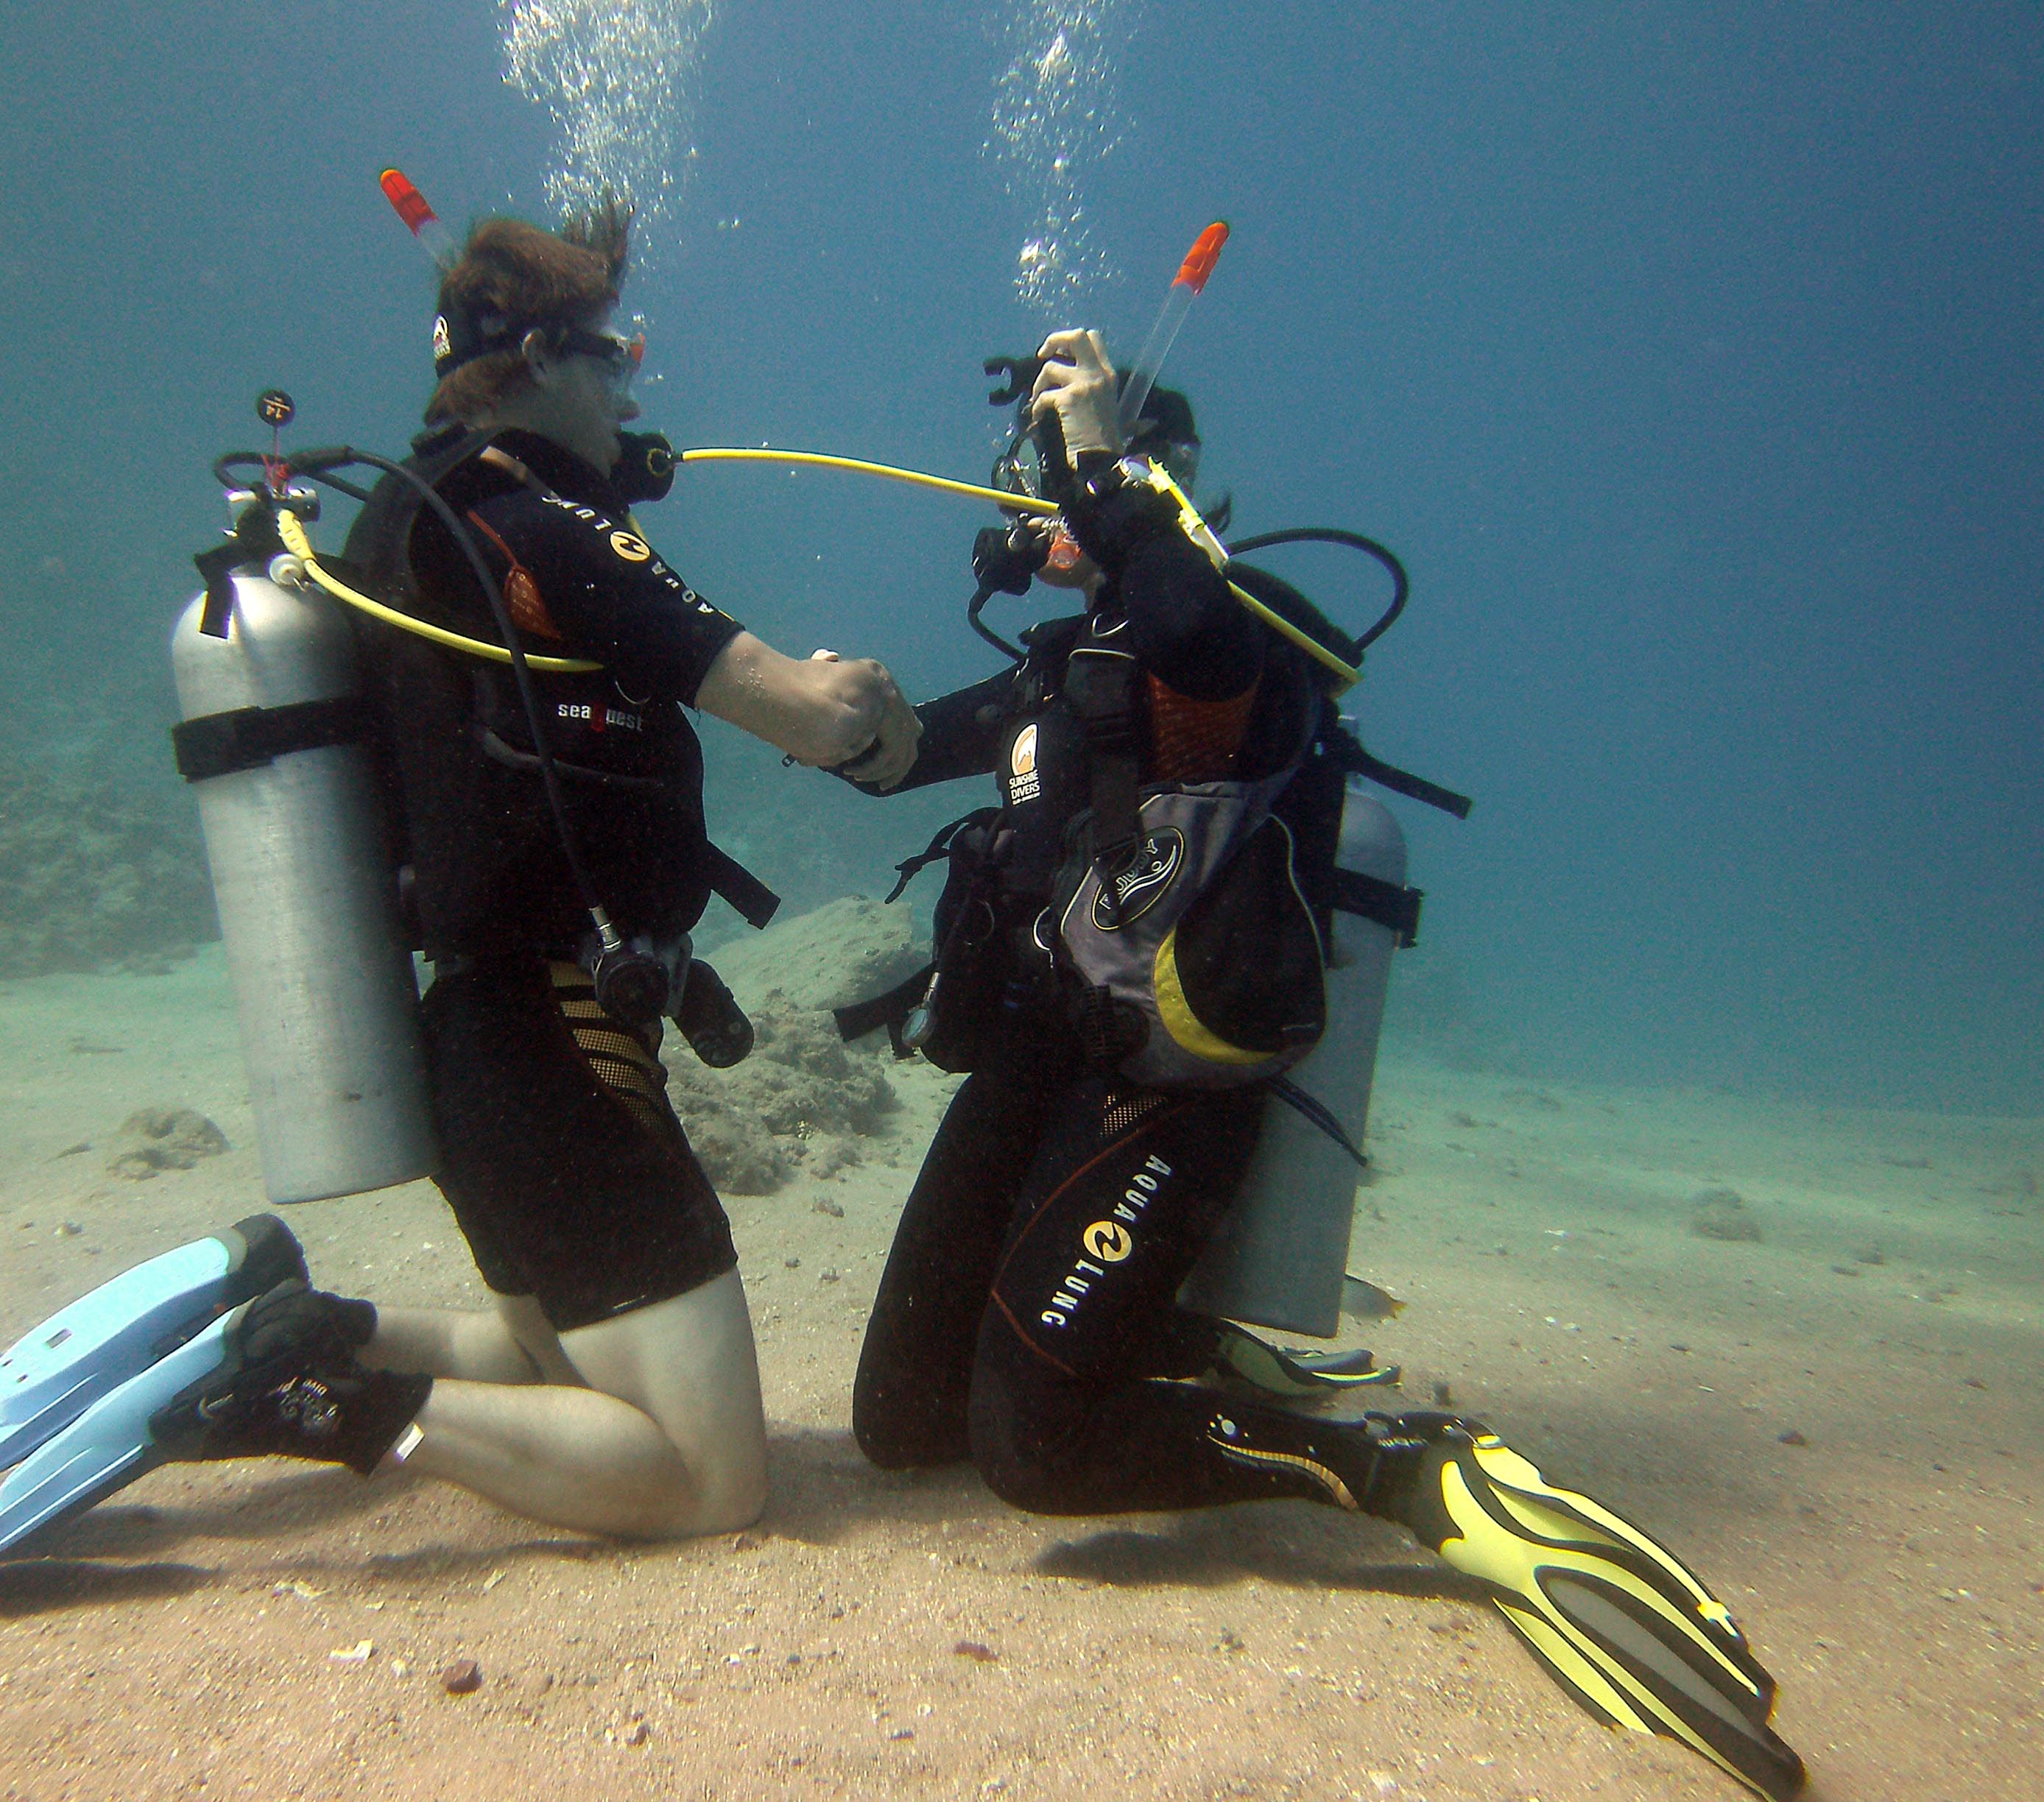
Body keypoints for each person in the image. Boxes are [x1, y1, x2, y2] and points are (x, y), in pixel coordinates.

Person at [838, 331, 1806, 1801]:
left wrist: (1103, 458)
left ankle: (1383, 1462)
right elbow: (905, 754)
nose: (1038, 502)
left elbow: (1196, 632)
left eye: (1065, 476)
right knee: (906, 1431)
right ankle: (1157, 1341)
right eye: (1037, 475)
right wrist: (782, 693)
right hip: (1041, 1065)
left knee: (1032, 1455)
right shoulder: (1065, 666)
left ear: (1132, 482)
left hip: (1171, 1090)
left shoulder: (1229, 643)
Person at [152, 198, 920, 1541]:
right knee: (708, 1482)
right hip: (554, 1052)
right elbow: (811, 717)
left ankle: (317, 1324)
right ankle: (338, 1401)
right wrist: (877, 705)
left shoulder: (408, 518)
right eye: (612, 357)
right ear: (543, 365)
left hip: (471, 1039)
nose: (631, 386)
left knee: (561, 1362)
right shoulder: (548, 529)